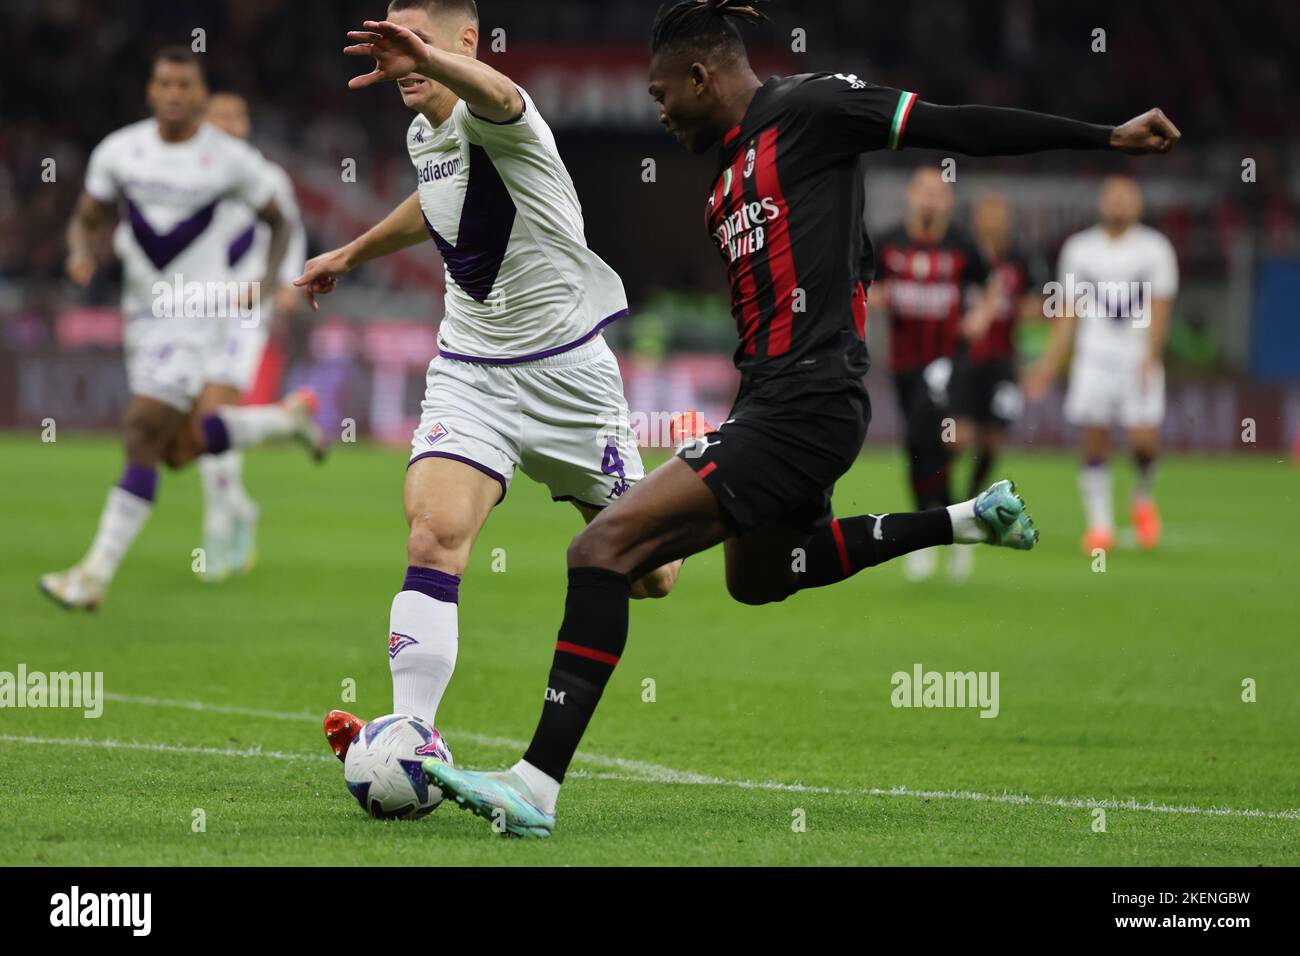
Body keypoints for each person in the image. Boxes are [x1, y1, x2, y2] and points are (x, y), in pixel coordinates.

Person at [422, 0, 1178, 838]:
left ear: (702, 76)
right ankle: (965, 520)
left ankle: (536, 785)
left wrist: (1106, 136)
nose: (659, 112)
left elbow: (955, 126)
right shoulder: (723, 190)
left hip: (808, 404)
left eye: (662, 93)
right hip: (777, 404)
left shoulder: (814, 111)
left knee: (601, 550)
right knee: (763, 575)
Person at [293, 1, 686, 763]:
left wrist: (429, 63)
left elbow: (500, 97)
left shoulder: (504, 114)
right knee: (434, 535)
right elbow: (436, 199)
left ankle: (710, 479)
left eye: (418, 43)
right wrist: (350, 253)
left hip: (571, 381)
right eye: (392, 40)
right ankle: (411, 734)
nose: (401, 59)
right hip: (471, 373)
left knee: (653, 575)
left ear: (463, 43)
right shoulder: (424, 132)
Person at [41, 48, 323, 611]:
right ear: (150, 90)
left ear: (200, 94)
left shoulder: (235, 164)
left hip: (205, 311)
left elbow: (281, 221)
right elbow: (90, 215)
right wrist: (79, 251)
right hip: (141, 315)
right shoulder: (120, 151)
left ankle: (94, 576)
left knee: (141, 428)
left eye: (184, 85)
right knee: (176, 448)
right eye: (164, 83)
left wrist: (273, 288)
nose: (174, 94)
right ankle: (283, 420)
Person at [1025, 176, 1178, 552]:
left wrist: (1151, 357)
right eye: (1112, 197)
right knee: (1095, 440)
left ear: (1138, 205)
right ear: (1101, 203)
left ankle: (1142, 497)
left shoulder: (1155, 249)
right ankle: (1100, 526)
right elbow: (1067, 311)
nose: (1118, 204)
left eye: (1126, 198)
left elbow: (1161, 307)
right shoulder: (1080, 250)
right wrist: (1048, 365)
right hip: (1093, 359)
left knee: (1143, 441)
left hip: (1137, 359)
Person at [199, 92, 311, 581]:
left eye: (236, 116)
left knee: (214, 412)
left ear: (245, 125)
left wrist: (286, 281)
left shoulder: (266, 178)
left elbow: (290, 228)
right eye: (218, 116)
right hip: (197, 307)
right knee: (205, 420)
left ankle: (218, 525)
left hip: (248, 307)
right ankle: (283, 426)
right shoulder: (188, 175)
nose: (227, 124)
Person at [875, 168, 994, 581]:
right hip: (904, 364)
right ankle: (948, 525)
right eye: (923, 191)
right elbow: (863, 287)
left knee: (947, 440)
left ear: (947, 200)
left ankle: (934, 533)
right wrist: (876, 298)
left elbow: (990, 286)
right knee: (918, 447)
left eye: (937, 192)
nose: (929, 199)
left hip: (949, 361)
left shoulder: (962, 245)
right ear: (910, 195)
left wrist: (980, 315)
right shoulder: (887, 243)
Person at [947, 191, 1049, 578]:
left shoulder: (1020, 259)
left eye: (999, 213)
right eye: (987, 212)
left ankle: (970, 502)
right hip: (962, 361)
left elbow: (1034, 306)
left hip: (1002, 365)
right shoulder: (961, 255)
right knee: (956, 440)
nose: (993, 219)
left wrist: (1037, 353)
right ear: (976, 218)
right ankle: (942, 507)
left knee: (991, 442)